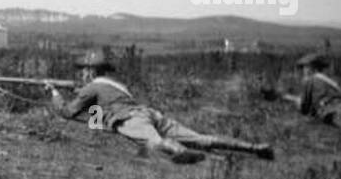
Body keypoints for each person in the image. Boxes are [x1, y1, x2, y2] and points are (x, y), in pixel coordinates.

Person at [47, 51, 274, 164]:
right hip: (149, 112)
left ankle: (181, 153)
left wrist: (54, 93)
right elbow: (97, 111)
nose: (81, 74)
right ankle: (254, 148)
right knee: (201, 138)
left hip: (131, 118)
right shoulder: (116, 84)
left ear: (89, 70)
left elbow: (67, 112)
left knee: (154, 143)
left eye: (83, 70)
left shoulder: (92, 86)